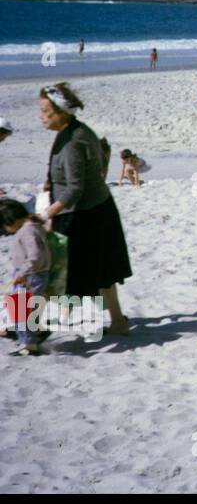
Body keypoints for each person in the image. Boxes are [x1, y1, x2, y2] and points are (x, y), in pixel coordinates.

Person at [38, 83, 132, 336]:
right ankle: (118, 322)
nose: (41, 116)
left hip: (81, 216)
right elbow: (98, 165)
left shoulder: (72, 142)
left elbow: (74, 189)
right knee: (103, 270)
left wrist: (47, 214)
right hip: (97, 208)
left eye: (46, 111)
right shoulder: (75, 130)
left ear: (61, 111)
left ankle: (30, 325)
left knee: (52, 269)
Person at [2, 198, 51, 355]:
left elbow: (35, 256)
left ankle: (29, 345)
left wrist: (23, 273)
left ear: (12, 220)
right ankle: (33, 334)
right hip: (33, 274)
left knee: (22, 309)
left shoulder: (28, 231)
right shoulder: (33, 226)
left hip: (31, 275)